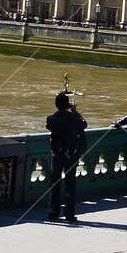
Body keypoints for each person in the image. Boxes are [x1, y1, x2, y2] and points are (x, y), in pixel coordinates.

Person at [46, 91, 88, 222]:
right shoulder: (73, 118)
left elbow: (50, 127)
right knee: (70, 184)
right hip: (71, 154)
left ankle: (54, 212)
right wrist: (75, 111)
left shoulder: (51, 119)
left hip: (57, 154)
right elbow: (84, 124)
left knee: (55, 184)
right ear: (68, 104)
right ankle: (69, 214)